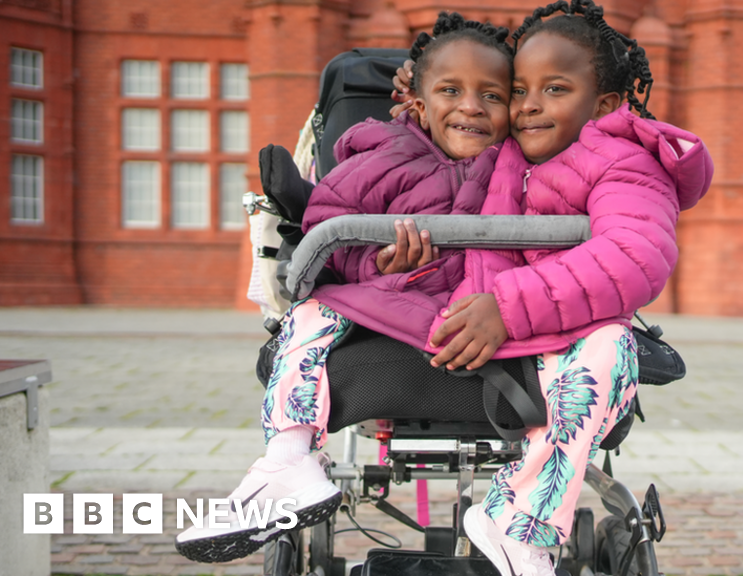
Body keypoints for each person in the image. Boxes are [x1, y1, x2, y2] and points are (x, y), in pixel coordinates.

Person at [174, 12, 515, 563]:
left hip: (482, 314)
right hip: (385, 301)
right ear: (417, 104)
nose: (472, 106)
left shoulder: (524, 167)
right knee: (310, 314)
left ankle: (523, 506)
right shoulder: (381, 160)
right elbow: (326, 233)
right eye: (451, 90)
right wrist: (376, 260)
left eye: (491, 95)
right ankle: (289, 460)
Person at [396, 1, 714, 574]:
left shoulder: (623, 161)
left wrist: (508, 308)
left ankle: (520, 525)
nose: (529, 105)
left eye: (556, 89)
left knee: (611, 346)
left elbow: (632, 256)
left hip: (558, 337)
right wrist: (422, 102)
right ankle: (516, 527)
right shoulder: (506, 150)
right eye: (519, 90)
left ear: (605, 105)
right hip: (476, 334)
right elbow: (451, 132)